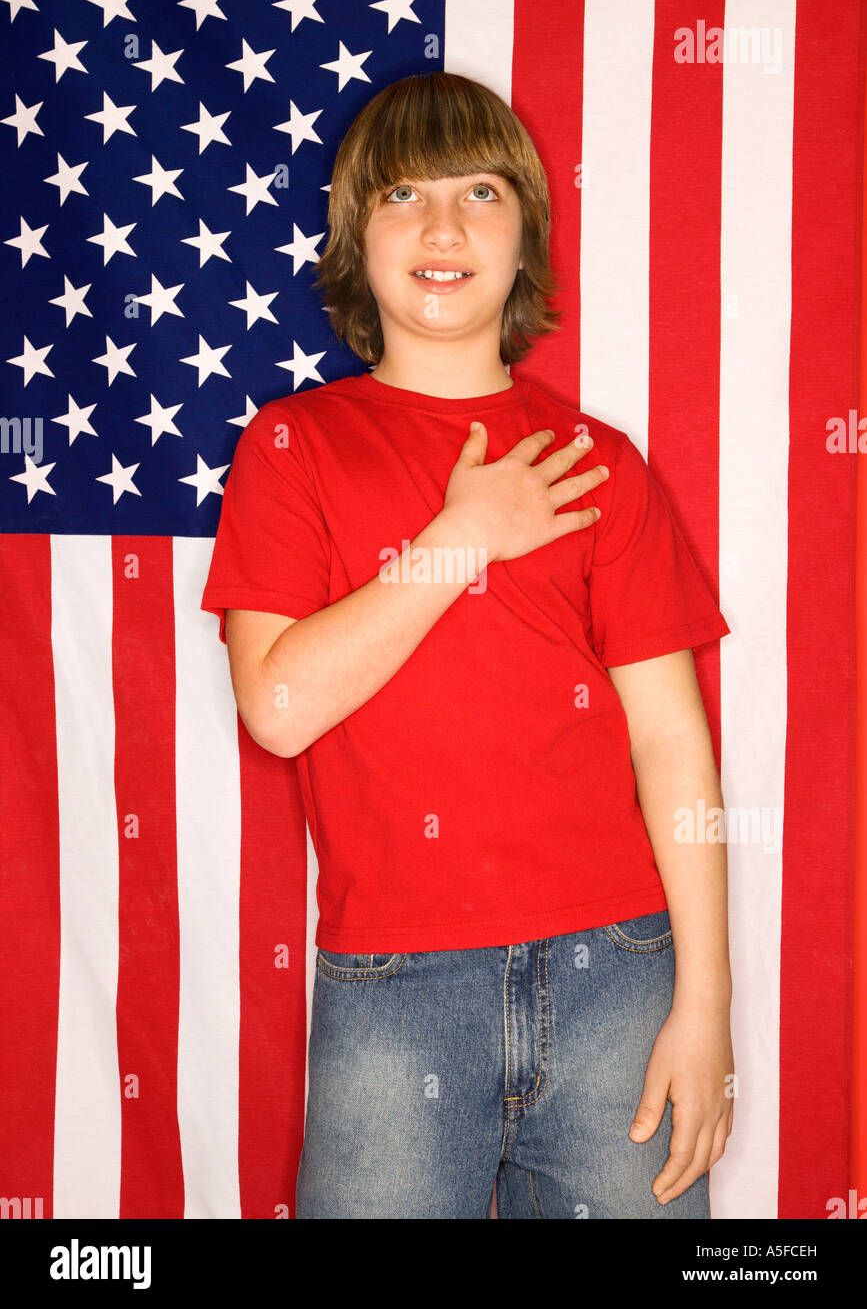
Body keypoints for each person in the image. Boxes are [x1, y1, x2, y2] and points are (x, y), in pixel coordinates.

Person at [201, 70, 735, 1220]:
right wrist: (460, 540)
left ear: (526, 233)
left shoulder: (601, 461)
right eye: (402, 194)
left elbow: (674, 745)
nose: (443, 226)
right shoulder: (293, 446)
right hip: (393, 987)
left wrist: (706, 1003)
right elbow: (280, 705)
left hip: (620, 975)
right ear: (356, 237)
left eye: (480, 191)